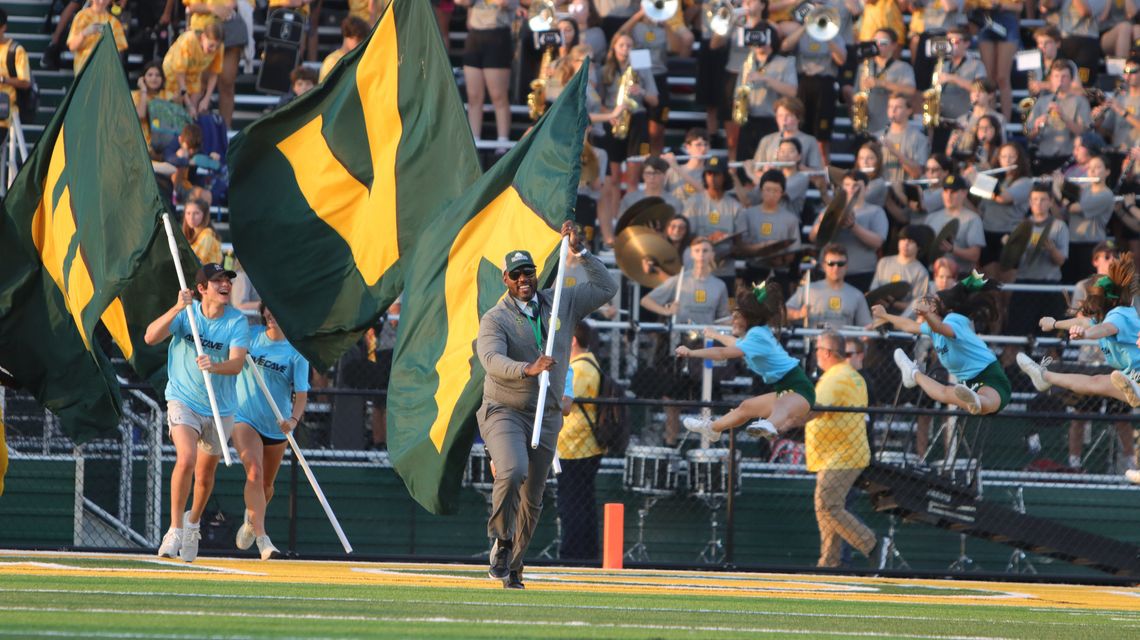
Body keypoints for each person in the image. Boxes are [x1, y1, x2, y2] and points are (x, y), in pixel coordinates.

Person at [478, 221, 617, 589]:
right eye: (517, 274)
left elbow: (607, 287)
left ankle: (515, 565)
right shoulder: (495, 318)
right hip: (505, 408)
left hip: (548, 412)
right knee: (512, 469)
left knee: (533, 500)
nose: (525, 278)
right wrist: (527, 368)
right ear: (506, 279)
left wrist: (581, 251)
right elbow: (491, 360)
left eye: (530, 272)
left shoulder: (561, 301)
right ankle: (502, 540)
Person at [147, 263, 251, 562]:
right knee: (187, 459)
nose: (225, 285)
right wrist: (177, 307)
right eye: (217, 281)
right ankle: (175, 529)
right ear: (202, 288)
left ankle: (193, 525)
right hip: (183, 400)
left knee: (205, 476)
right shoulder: (187, 314)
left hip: (221, 408)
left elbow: (237, 364)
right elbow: (150, 337)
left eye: (228, 280)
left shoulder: (236, 322)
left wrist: (213, 366)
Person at [677, 280, 814, 441]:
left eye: (737, 317)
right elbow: (735, 343)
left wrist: (691, 352)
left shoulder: (757, 334)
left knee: (781, 405)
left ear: (749, 319)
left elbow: (722, 353)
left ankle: (769, 425)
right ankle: (712, 429)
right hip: (784, 389)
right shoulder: (755, 335)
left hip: (800, 390)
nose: (732, 320)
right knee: (746, 407)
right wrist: (715, 335)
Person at [232, 304, 309, 560]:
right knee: (254, 472)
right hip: (244, 417)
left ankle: (251, 521)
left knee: (266, 486)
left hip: (276, 426)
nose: (273, 316)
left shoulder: (296, 353)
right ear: (264, 312)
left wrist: (294, 420)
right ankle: (264, 541)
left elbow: (301, 394)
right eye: (269, 310)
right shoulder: (250, 336)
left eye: (279, 311)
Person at [877, 272, 1011, 415]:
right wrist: (885, 316)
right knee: (944, 392)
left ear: (946, 308)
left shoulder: (955, 320)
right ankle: (913, 373)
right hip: (968, 384)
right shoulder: (933, 327)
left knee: (985, 402)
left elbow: (941, 328)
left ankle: (977, 400)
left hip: (989, 376)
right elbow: (909, 326)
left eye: (936, 300)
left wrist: (926, 315)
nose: (930, 302)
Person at [804, 330, 884, 569]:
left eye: (818, 349)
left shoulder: (836, 377)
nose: (816, 354)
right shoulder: (846, 374)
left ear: (827, 352)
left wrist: (783, 419)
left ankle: (872, 545)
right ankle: (830, 562)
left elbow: (815, 409)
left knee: (828, 505)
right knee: (827, 508)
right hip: (836, 453)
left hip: (842, 455)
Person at [1018, 253, 1140, 405]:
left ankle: (1137, 390)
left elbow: (1105, 329)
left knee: (1104, 381)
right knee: (1095, 382)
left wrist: (1086, 334)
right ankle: (1043, 376)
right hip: (1130, 378)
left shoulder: (1119, 315)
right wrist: (1055, 324)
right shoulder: (1105, 317)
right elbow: (1084, 322)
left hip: (1134, 376)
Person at [641, 237, 729, 444]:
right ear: (691, 254)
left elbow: (723, 316)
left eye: (706, 250)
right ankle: (671, 442)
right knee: (672, 398)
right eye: (697, 250)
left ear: (712, 255)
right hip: (678, 342)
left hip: (705, 345)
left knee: (707, 396)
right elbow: (646, 300)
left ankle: (707, 443)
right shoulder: (679, 280)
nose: (701, 255)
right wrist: (666, 310)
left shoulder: (719, 285)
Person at [555, 322, 604, 560]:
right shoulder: (587, 363)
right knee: (581, 505)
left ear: (572, 340)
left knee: (572, 506)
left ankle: (573, 554)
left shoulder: (581, 368)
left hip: (576, 447)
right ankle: (585, 554)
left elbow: (564, 400)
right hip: (577, 446)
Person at [810, 171, 887, 291]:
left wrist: (853, 227)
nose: (851, 188)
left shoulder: (876, 211)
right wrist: (822, 222)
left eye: (856, 185)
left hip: (860, 274)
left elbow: (878, 242)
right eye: (847, 185)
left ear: (866, 189)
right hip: (830, 272)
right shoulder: (829, 209)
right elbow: (813, 238)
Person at [456, 0, 517, 147]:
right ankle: (474, 140)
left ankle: (502, 141)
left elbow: (503, 2)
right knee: (473, 95)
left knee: (498, 95)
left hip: (497, 35)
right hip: (475, 35)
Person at [786, 243, 873, 328]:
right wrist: (798, 314)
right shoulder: (808, 290)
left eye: (840, 264)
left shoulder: (857, 295)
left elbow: (866, 328)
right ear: (824, 266)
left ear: (846, 266)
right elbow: (783, 312)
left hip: (845, 342)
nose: (836, 268)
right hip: (814, 341)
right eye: (831, 264)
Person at [924, 174, 986, 274]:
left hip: (959, 276)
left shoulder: (972, 219)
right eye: (945, 191)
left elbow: (975, 255)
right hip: (933, 274)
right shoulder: (931, 217)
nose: (948, 196)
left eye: (953, 192)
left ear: (964, 193)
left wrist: (952, 249)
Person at [162, 23, 224, 118]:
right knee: (176, 107)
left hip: (194, 75)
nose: (214, 49)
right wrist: (188, 105)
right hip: (173, 75)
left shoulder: (219, 47)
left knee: (194, 112)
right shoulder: (189, 41)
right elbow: (180, 75)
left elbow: (214, 73)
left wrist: (206, 99)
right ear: (203, 37)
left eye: (217, 46)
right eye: (211, 45)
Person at [869, 225, 931, 318]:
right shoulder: (884, 262)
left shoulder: (921, 272)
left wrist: (893, 303)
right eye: (903, 239)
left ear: (919, 247)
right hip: (878, 317)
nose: (905, 244)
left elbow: (918, 306)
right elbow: (873, 290)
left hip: (903, 322)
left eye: (911, 241)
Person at [66, 0, 128, 74]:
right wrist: (84, 33)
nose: (101, 1)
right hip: (84, 71)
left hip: (105, 72)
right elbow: (72, 46)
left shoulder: (114, 22)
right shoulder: (81, 17)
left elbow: (119, 52)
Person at [0, 8, 32, 143]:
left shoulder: (16, 50)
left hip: (3, 116)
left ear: (3, 27)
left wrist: (3, 79)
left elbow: (25, 82)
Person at [320, 16, 370, 82]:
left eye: (362, 40)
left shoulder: (363, 59)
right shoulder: (332, 61)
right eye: (358, 40)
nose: (361, 44)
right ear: (347, 36)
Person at [133, 61, 166, 149]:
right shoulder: (136, 95)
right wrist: (143, 90)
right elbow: (141, 115)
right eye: (150, 75)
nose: (154, 78)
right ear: (143, 78)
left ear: (162, 78)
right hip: (142, 144)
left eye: (158, 75)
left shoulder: (167, 95)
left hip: (164, 143)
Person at [182, 197, 222, 265]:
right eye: (188, 213)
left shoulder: (207, 234)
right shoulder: (193, 233)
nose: (191, 218)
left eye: (196, 213)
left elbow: (192, 261)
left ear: (204, 215)